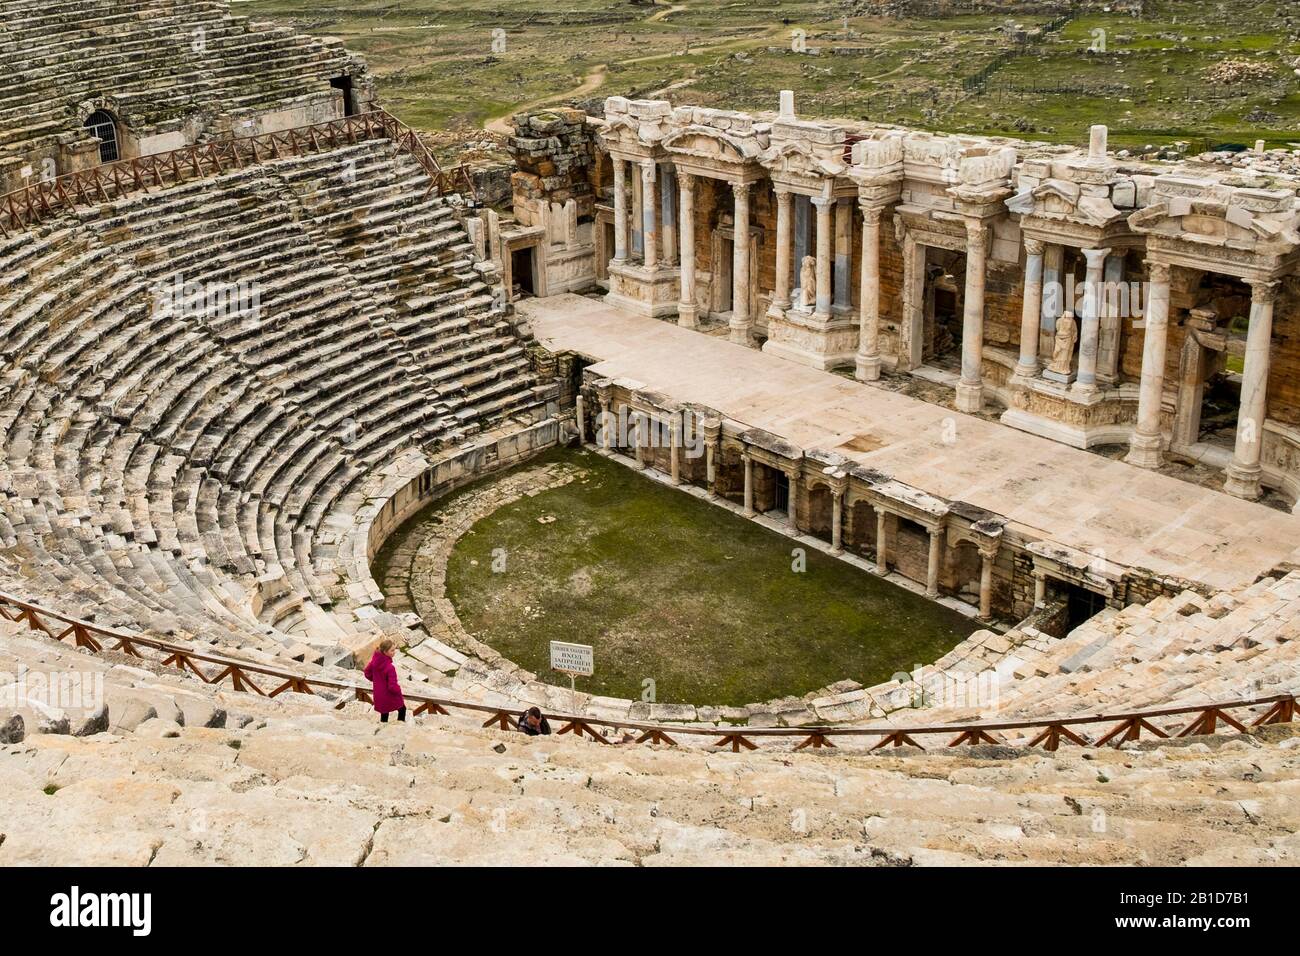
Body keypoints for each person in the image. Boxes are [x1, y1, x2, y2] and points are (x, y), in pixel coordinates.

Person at [364, 639, 406, 723]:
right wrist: (399, 690)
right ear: (385, 652)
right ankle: (400, 726)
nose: (394, 652)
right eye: (392, 650)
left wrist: (376, 680)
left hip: (378, 694)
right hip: (388, 694)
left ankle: (383, 728)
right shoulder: (390, 667)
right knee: (402, 709)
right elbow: (392, 686)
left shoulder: (374, 662)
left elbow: (367, 672)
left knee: (384, 713)